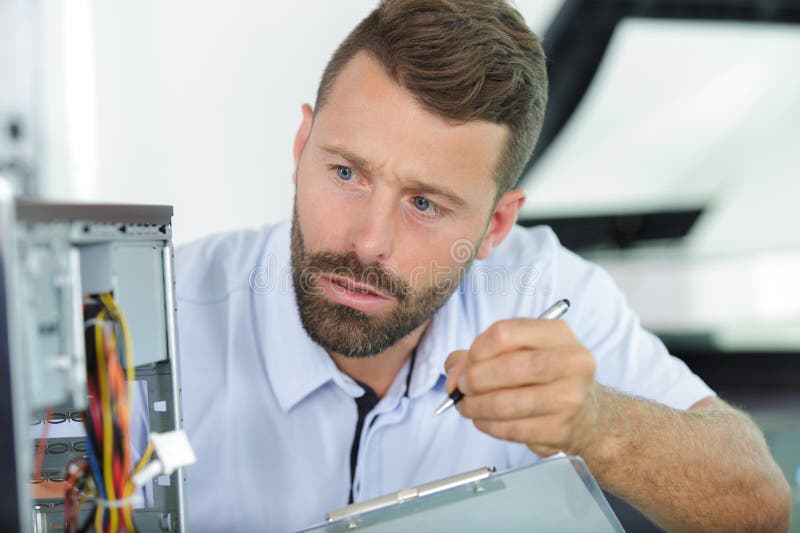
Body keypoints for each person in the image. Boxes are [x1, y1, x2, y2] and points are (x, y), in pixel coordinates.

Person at [174, 1, 790, 531]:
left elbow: (760, 507)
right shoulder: (164, 313)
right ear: (301, 146)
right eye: (345, 173)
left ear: (496, 226)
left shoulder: (543, 289)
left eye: (425, 204)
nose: (368, 242)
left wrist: (600, 425)